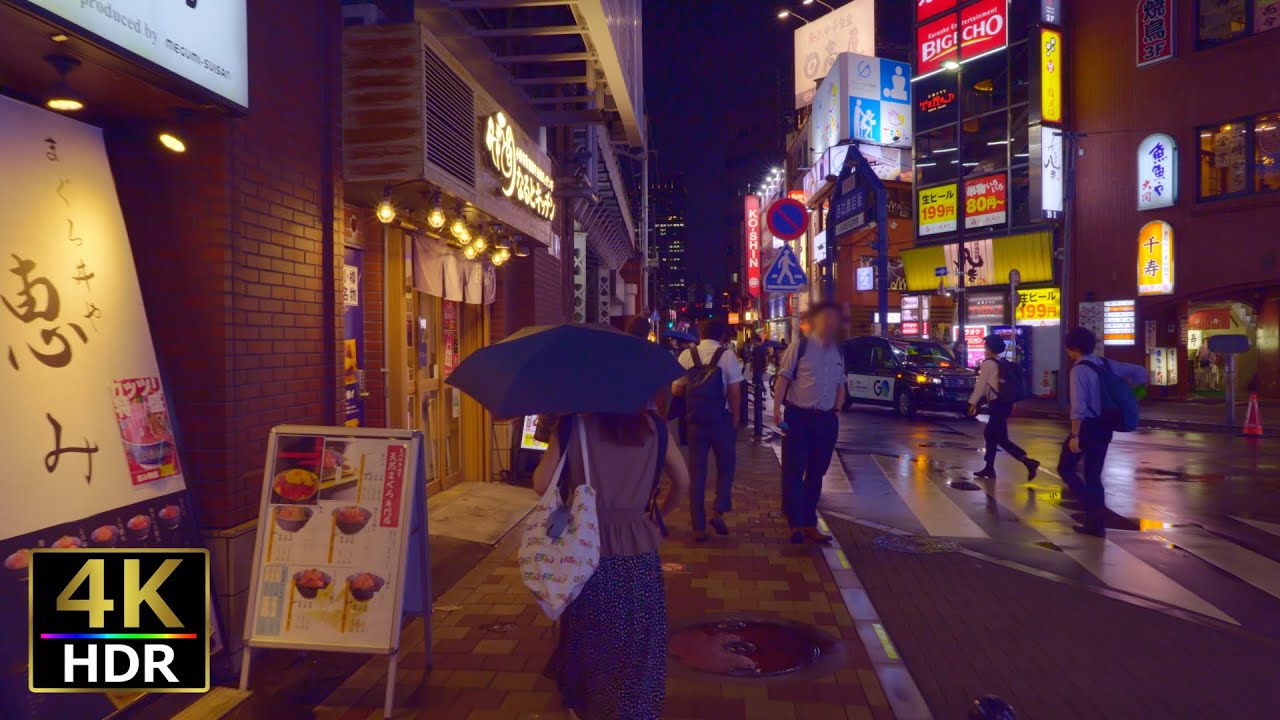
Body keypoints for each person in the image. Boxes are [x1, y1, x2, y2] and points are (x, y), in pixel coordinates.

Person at [533, 412, 690, 720]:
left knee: (590, 642)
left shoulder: (571, 426)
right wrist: (659, 516)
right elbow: (682, 480)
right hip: (639, 552)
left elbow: (541, 483)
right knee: (639, 645)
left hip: (586, 552)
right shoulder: (654, 427)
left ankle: (589, 709)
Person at [1059, 327, 1148, 537]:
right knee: (1093, 476)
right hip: (1106, 425)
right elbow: (1141, 373)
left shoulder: (1078, 369)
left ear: (1074, 347)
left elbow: (1078, 406)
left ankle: (1094, 512)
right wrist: (1136, 395)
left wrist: (1074, 435)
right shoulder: (1105, 363)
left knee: (1066, 468)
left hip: (1087, 427)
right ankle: (1096, 525)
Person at [773, 302, 846, 544]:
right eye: (826, 318)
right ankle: (795, 524)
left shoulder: (837, 351)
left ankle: (809, 523)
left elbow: (840, 384)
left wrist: (836, 411)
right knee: (794, 472)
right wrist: (776, 410)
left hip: (825, 420)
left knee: (816, 474)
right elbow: (783, 378)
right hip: (799, 417)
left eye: (834, 319)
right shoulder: (800, 346)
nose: (830, 323)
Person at [671, 318, 743, 541]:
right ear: (722, 336)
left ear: (699, 335)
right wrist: (735, 418)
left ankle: (698, 528)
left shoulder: (686, 356)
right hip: (720, 419)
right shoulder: (727, 356)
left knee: (697, 473)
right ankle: (719, 509)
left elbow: (676, 390)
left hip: (695, 421)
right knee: (727, 465)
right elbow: (734, 392)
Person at [968, 335, 1040, 480]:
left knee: (995, 436)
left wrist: (973, 403)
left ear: (990, 348)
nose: (984, 348)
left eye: (986, 346)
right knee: (994, 436)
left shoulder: (988, 363)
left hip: (997, 404)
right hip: (1004, 404)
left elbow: (981, 385)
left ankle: (1028, 462)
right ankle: (990, 468)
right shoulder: (1001, 362)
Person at [749, 335, 767, 438]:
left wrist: (764, 367)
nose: (753, 343)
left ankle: (761, 392)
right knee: (756, 380)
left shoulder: (759, 349)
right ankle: (760, 392)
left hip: (758, 368)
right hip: (757, 368)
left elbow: (764, 358)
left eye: (753, 341)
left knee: (758, 380)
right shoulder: (758, 349)